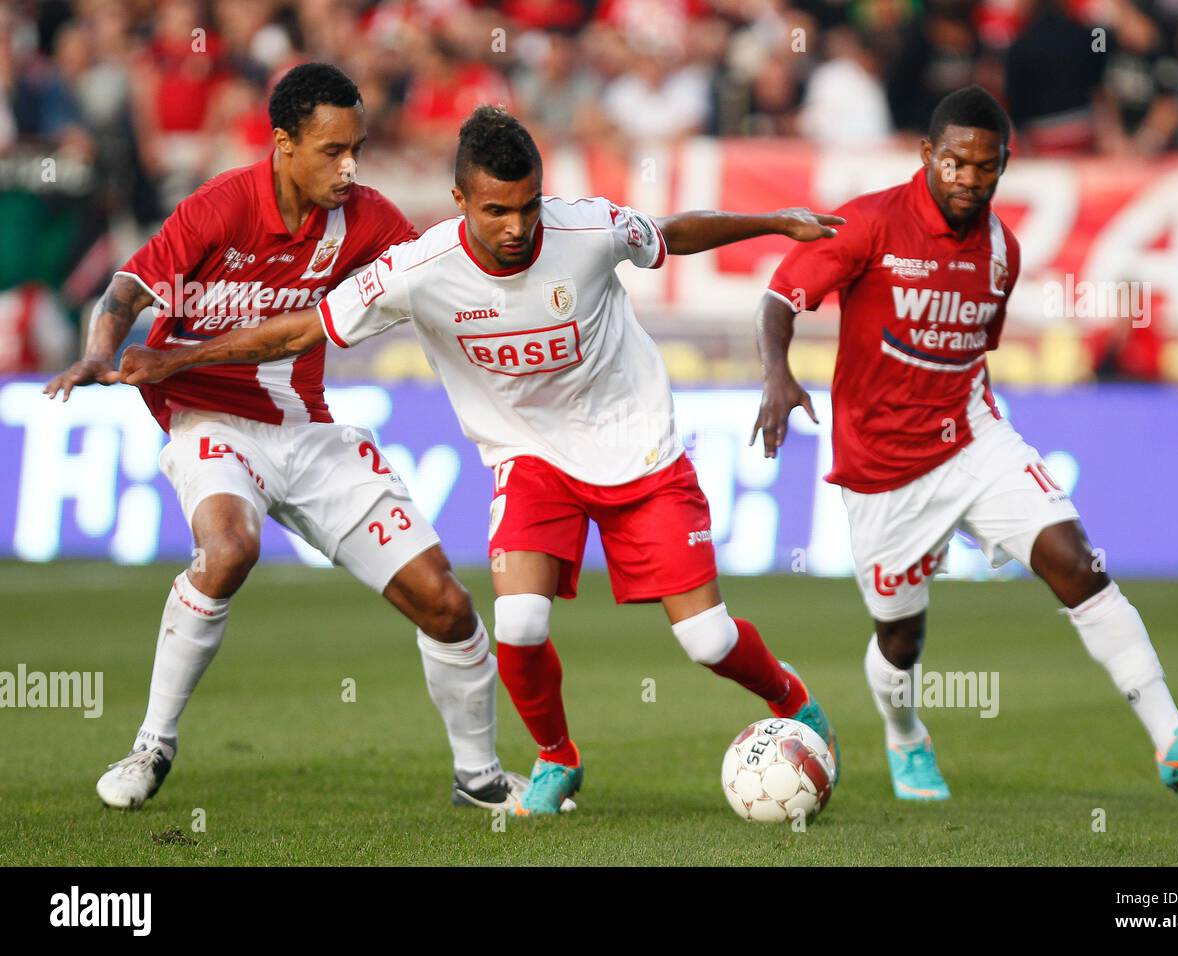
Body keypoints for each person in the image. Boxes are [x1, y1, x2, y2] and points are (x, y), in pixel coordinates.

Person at [110, 105, 846, 816]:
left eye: (527, 206)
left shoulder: (585, 227)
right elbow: (302, 330)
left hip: (638, 447)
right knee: (519, 624)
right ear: (460, 200)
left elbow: (673, 232)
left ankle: (792, 701)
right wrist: (179, 359)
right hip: (530, 459)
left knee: (706, 640)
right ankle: (556, 757)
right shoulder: (417, 268)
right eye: (496, 211)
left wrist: (778, 221)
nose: (517, 226)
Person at [44, 64, 534, 814]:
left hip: (307, 430)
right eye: (332, 151)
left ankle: (480, 779)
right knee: (230, 549)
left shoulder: (368, 219)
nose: (350, 168)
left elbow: (435, 275)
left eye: (357, 150)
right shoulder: (219, 207)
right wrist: (100, 350)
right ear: (282, 144)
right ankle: (151, 747)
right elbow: (128, 287)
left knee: (447, 606)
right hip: (207, 422)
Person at [751, 86, 1178, 800]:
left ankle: (1174, 738)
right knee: (901, 638)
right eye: (955, 163)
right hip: (883, 469)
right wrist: (777, 373)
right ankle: (905, 738)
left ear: (1004, 167)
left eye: (986, 167)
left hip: (973, 439)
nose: (969, 179)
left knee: (1076, 562)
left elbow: (970, 351)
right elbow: (779, 298)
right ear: (928, 155)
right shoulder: (866, 224)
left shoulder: (1000, 250)